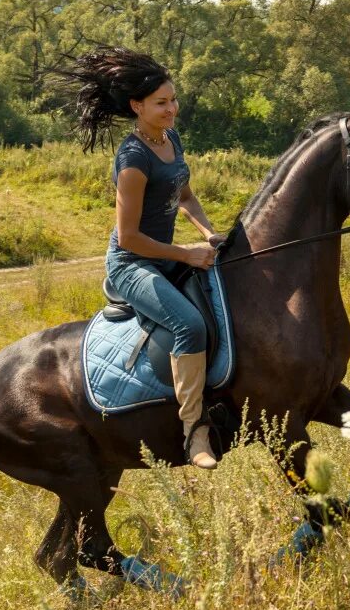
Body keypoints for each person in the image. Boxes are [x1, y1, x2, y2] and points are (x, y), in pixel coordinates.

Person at [56, 47, 224, 469]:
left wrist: (209, 233)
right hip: (132, 265)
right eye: (161, 103)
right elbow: (130, 238)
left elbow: (183, 195)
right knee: (188, 325)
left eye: (173, 100)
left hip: (165, 257)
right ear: (137, 106)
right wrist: (186, 253)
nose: (172, 109)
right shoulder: (132, 160)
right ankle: (193, 431)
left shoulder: (171, 139)